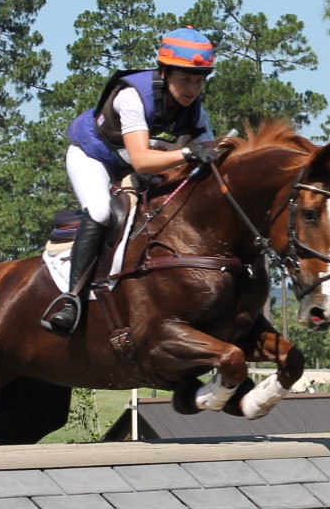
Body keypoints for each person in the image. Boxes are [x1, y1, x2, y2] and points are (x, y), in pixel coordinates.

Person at [41, 27, 221, 335]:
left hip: (134, 163)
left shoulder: (196, 113)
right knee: (100, 210)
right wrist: (191, 152)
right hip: (94, 157)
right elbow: (142, 160)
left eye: (199, 80)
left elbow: (210, 156)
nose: (193, 89)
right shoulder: (133, 95)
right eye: (185, 79)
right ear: (164, 72)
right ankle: (72, 300)